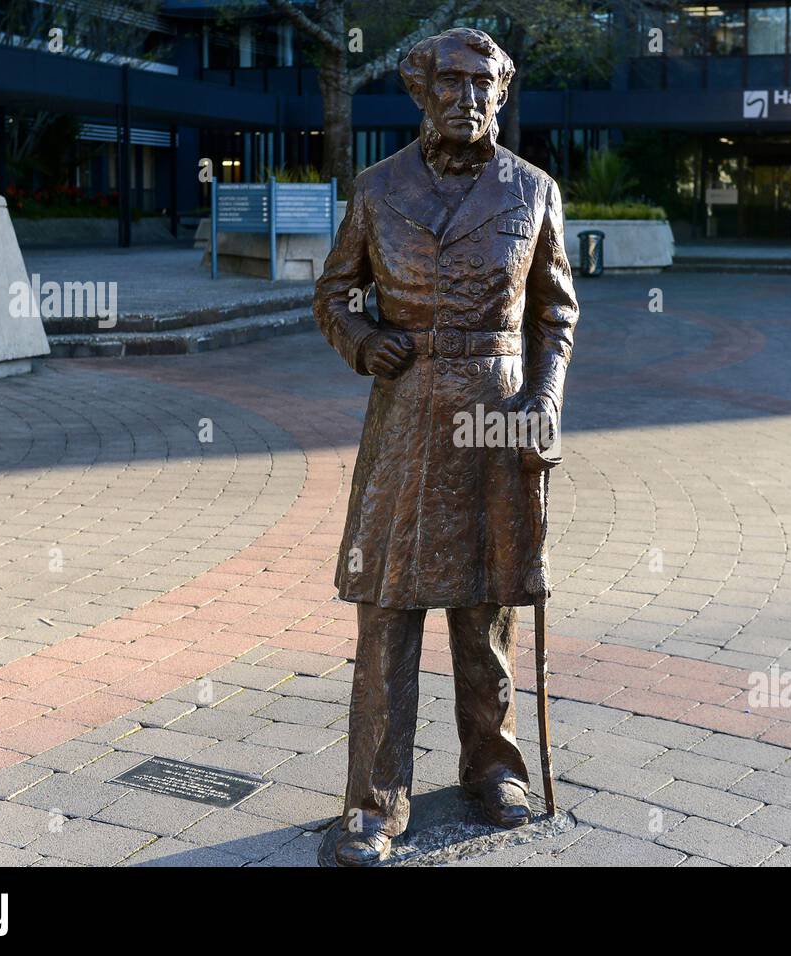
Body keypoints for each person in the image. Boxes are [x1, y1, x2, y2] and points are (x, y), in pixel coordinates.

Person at [312, 27, 579, 866]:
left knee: (487, 600)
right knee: (389, 610)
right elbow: (333, 291)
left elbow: (554, 313)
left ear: (502, 94)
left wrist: (544, 399)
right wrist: (360, 338)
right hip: (408, 417)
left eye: (482, 85)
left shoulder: (534, 191)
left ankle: (492, 765)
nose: (467, 98)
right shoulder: (377, 188)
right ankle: (373, 801)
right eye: (450, 83)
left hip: (499, 416)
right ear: (421, 92)